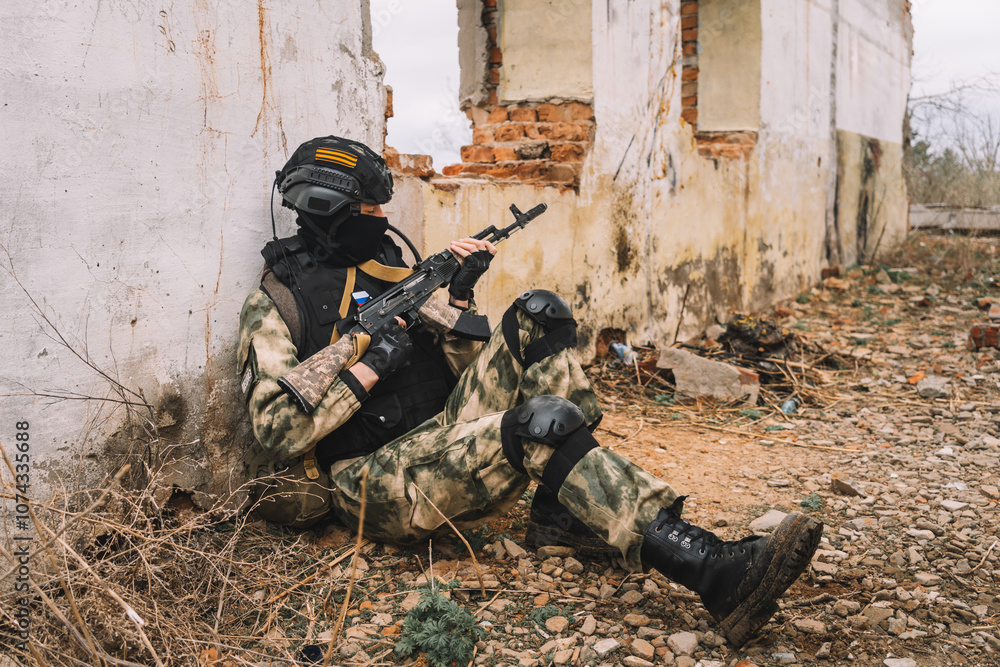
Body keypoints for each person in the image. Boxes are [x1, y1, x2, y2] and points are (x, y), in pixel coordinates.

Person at [237, 135, 823, 648]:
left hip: (437, 429)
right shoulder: (278, 301)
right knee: (538, 423)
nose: (382, 218)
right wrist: (366, 370)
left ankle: (559, 514)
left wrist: (458, 302)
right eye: (369, 208)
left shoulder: (388, 264)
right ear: (328, 209)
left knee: (538, 313)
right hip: (369, 480)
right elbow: (275, 431)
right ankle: (715, 573)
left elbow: (447, 373)